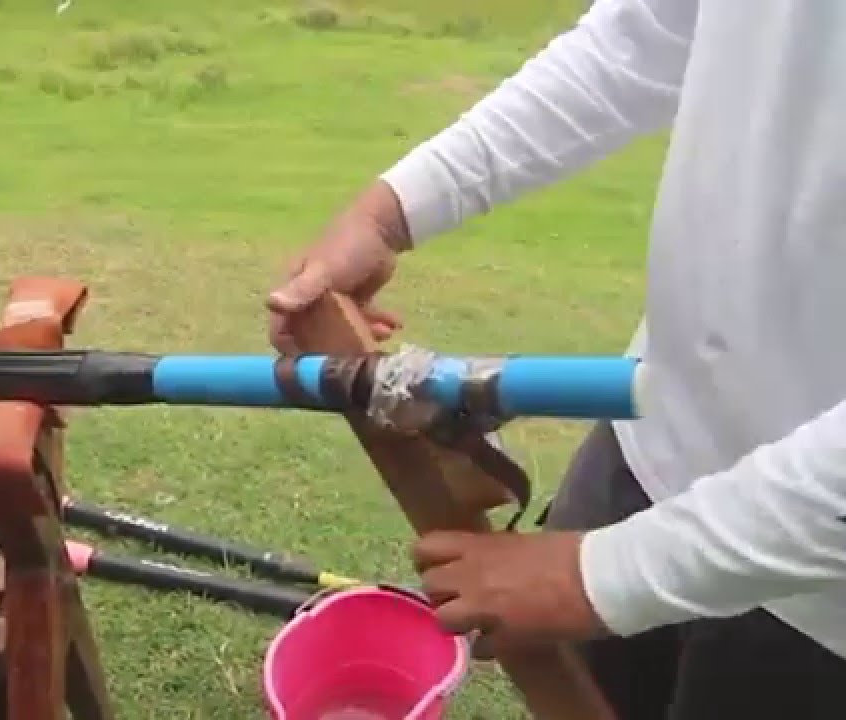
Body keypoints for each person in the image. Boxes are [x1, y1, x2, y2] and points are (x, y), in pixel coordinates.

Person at [267, 1, 846, 718]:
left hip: (820, 598)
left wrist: (600, 577)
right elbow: (645, 34)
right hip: (647, 450)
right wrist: (392, 211)